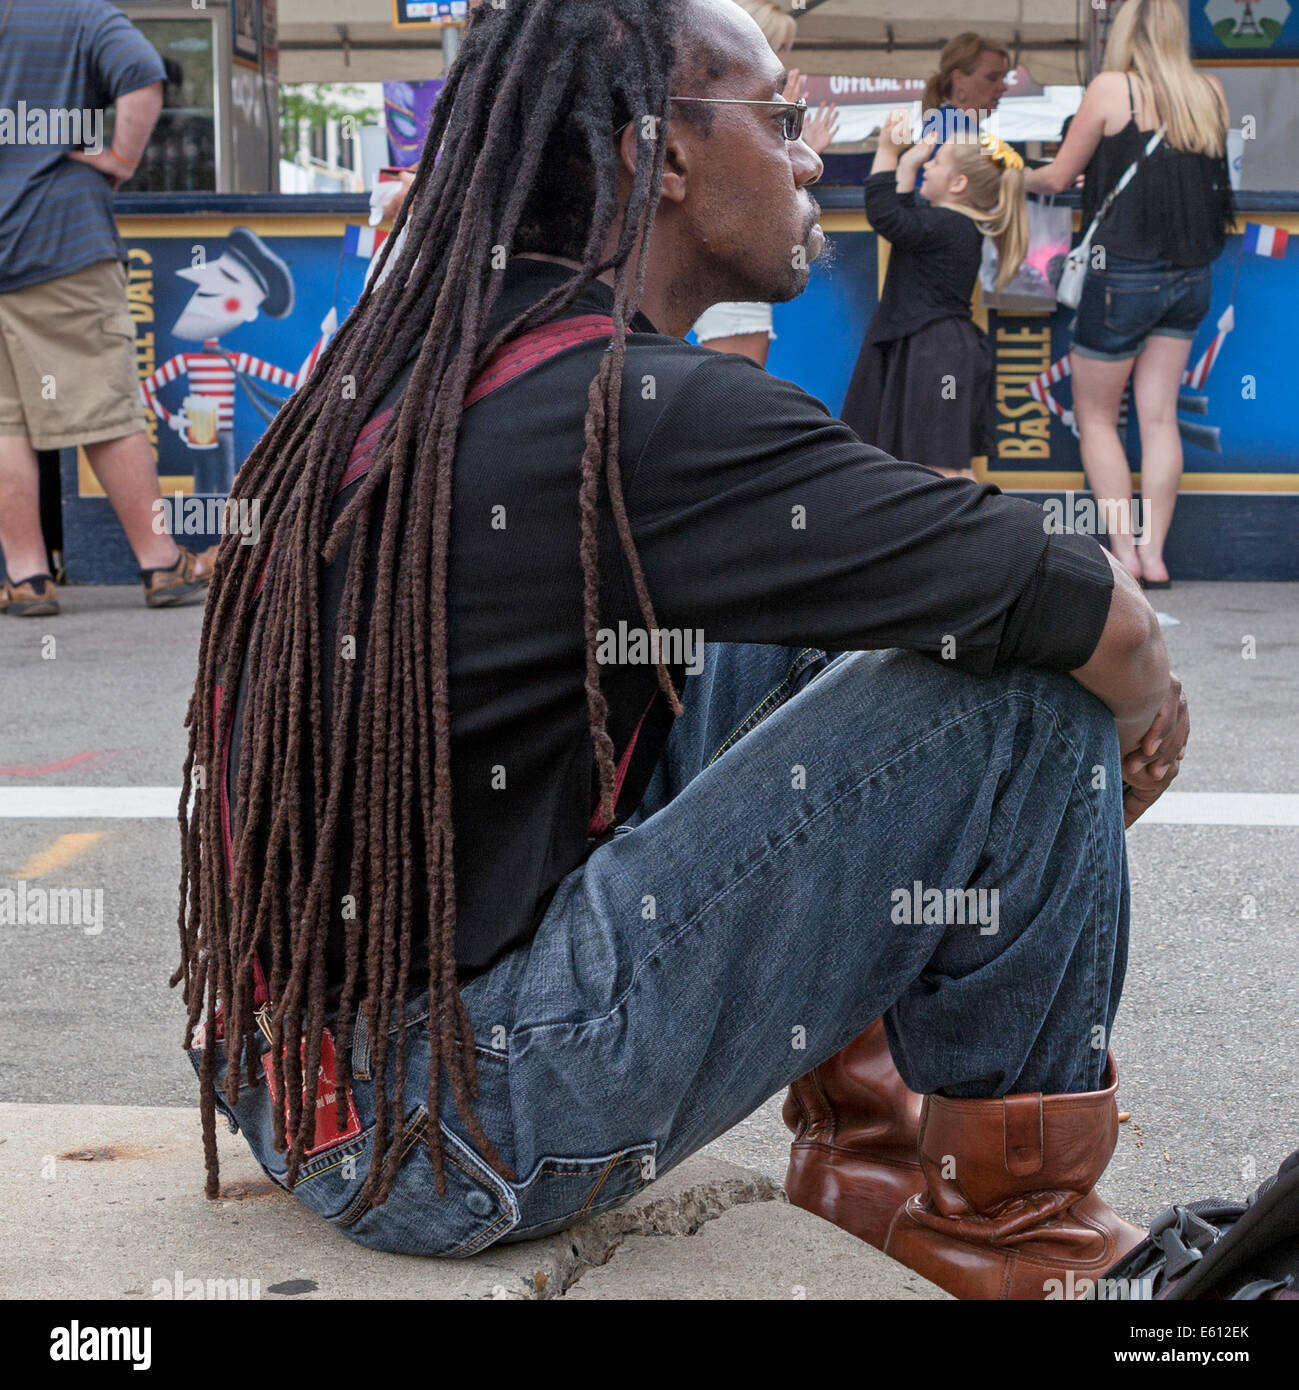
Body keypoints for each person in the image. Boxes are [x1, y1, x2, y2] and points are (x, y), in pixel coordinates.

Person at [176, 0, 1188, 1301]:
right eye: (775, 119)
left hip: (299, 1077)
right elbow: (1099, 616)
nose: (810, 154)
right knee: (1021, 714)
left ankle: (866, 1169)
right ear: (659, 156)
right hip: (446, 1129)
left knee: (858, 611)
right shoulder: (636, 411)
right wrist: (1123, 726)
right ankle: (998, 1231)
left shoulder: (430, 359)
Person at [0, 0, 216, 615]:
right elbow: (144, 72)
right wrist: (120, 158)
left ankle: (28, 579)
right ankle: (161, 563)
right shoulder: (80, 14)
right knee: (106, 406)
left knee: (5, 421)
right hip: (59, 239)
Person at [1024, 0, 1233, 590]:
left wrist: (1012, 174)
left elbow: (1058, 177)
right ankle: (1156, 553)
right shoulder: (1209, 93)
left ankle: (1124, 555)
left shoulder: (1112, 88)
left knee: (1096, 416)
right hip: (1191, 278)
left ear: (1126, 32)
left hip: (1121, 277)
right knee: (1160, 415)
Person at [840, 109, 1028, 479]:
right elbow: (904, 219)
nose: (929, 163)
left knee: (943, 468)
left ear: (957, 184)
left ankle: (975, 535)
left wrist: (888, 153)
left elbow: (887, 216)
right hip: (939, 349)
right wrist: (907, 167)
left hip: (936, 352)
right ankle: (970, 533)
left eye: (936, 160)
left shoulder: (948, 225)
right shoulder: (952, 224)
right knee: (945, 464)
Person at [690, 0, 839, 365]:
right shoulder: (734, 105)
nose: (783, 59)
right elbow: (746, 176)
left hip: (738, 256)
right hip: (732, 250)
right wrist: (791, 138)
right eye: (780, 47)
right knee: (733, 379)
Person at [920, 32, 1011, 150]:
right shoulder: (947, 129)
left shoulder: (955, 126)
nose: (1003, 87)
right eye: (992, 78)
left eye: (1003, 78)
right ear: (959, 79)